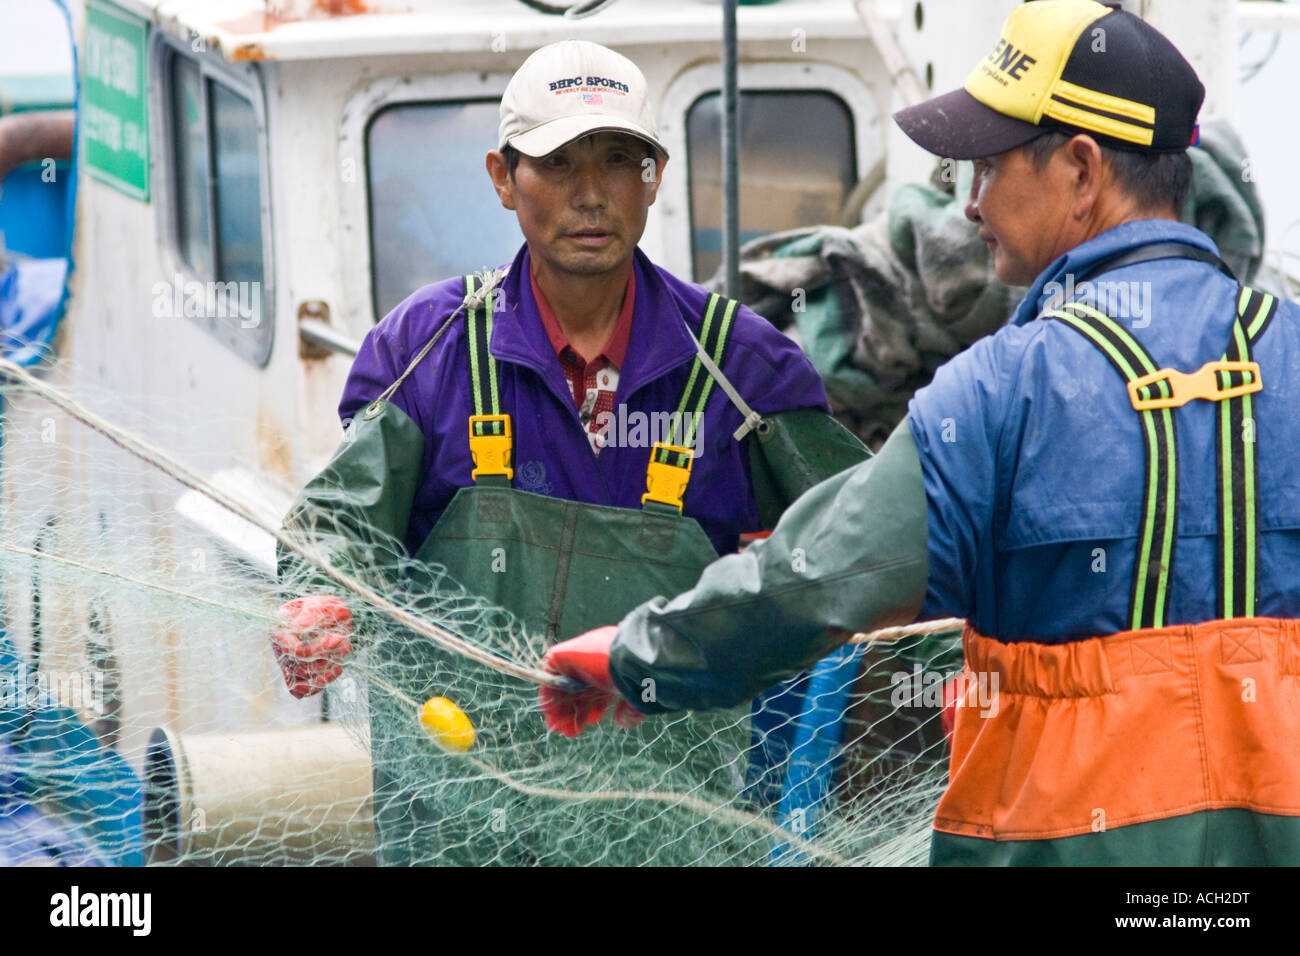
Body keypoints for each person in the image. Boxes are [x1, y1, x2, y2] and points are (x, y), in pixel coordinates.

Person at [539, 0, 1300, 866]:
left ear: (1083, 171)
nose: (970, 205)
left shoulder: (1000, 390)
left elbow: (811, 583)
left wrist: (638, 656)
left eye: (987, 167)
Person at [271, 39, 867, 862]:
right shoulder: (430, 343)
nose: (591, 193)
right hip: (454, 835)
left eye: (619, 159)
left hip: (673, 840)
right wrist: (316, 599)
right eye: (557, 163)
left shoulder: (743, 370)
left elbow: (859, 544)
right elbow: (337, 526)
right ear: (503, 177)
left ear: (653, 176)